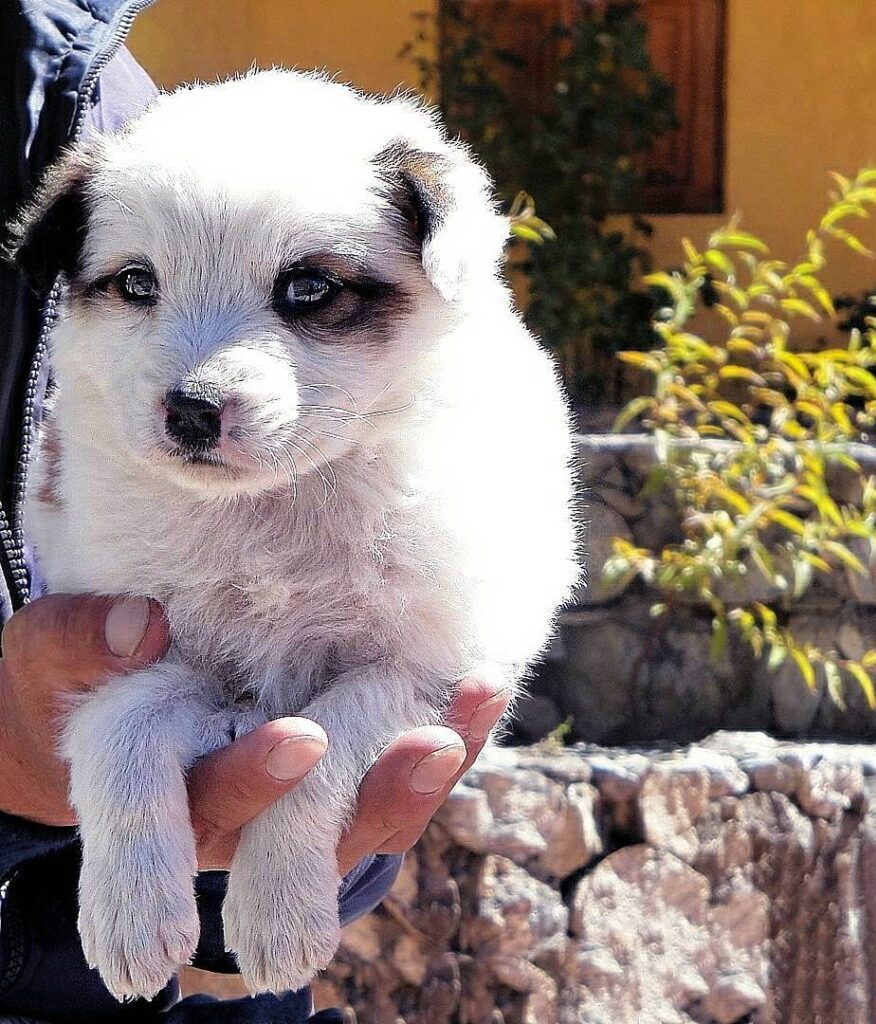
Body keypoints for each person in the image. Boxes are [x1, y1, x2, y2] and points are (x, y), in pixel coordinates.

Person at [0, 2, 507, 1020]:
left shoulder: (88, 90)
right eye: (137, 286)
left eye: (309, 291)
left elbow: (422, 677)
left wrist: (276, 850)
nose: (197, 381)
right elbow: (119, 699)